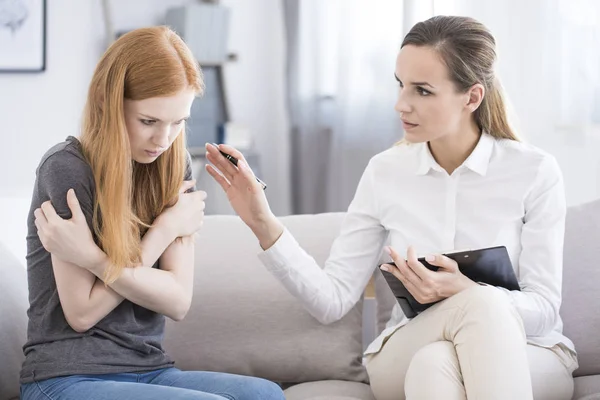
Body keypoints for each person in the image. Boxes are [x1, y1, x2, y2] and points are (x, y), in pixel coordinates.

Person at [205, 15, 578, 400]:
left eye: (423, 91)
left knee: (438, 362)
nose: (401, 104)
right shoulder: (386, 172)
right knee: (458, 326)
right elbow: (331, 300)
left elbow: (544, 307)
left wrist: (467, 290)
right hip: (405, 348)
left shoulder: (533, 170)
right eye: (401, 85)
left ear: (472, 97)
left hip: (530, 351)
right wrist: (261, 219)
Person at [20, 26, 284, 400]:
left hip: (149, 368)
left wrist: (93, 259)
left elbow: (177, 300)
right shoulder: (66, 169)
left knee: (266, 395)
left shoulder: (173, 169)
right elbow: (83, 313)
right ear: (109, 104)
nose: (163, 140)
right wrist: (162, 231)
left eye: (178, 122)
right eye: (148, 121)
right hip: (66, 376)